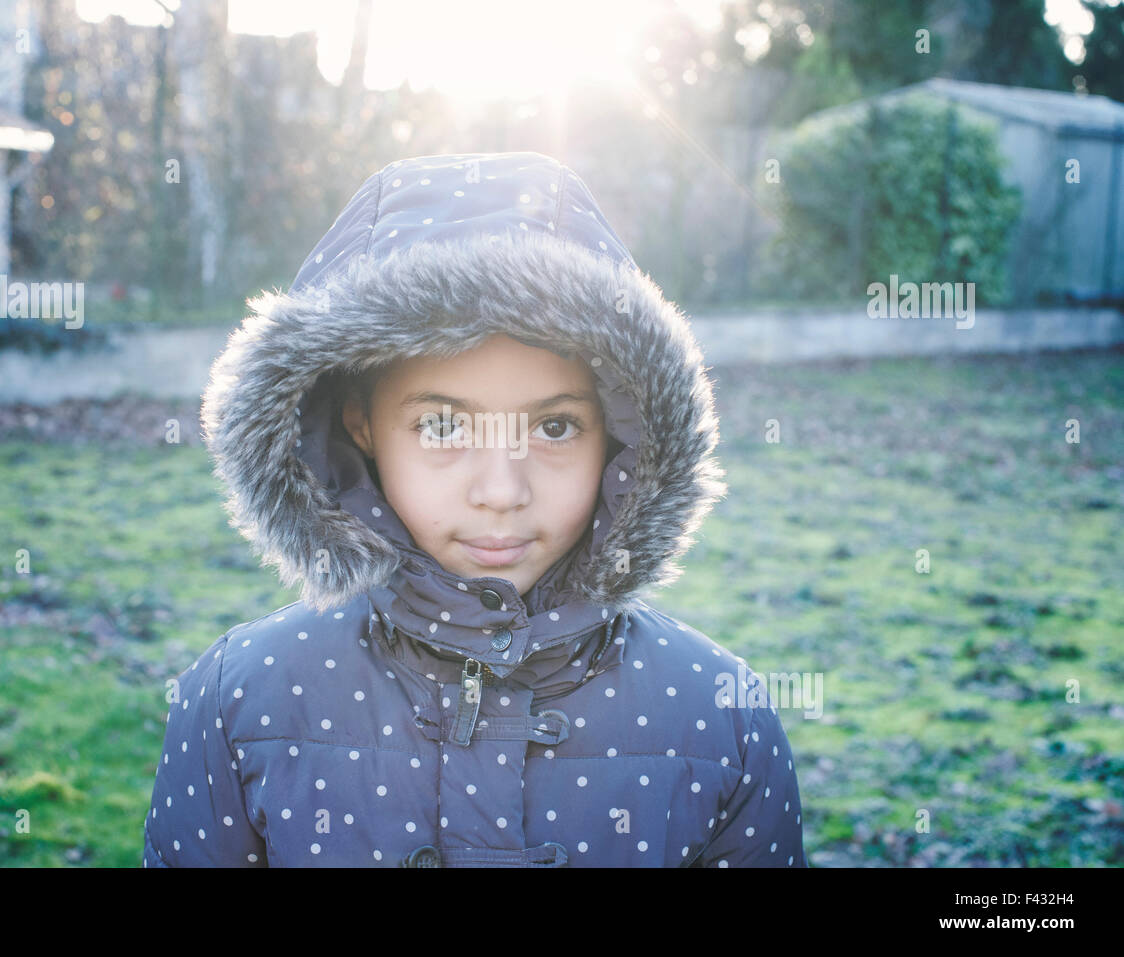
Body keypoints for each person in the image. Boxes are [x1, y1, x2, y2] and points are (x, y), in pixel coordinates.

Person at [142, 151, 807, 867]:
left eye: (553, 426)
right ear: (359, 423)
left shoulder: (719, 716)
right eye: (443, 426)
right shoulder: (244, 701)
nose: (501, 490)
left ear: (622, 430)